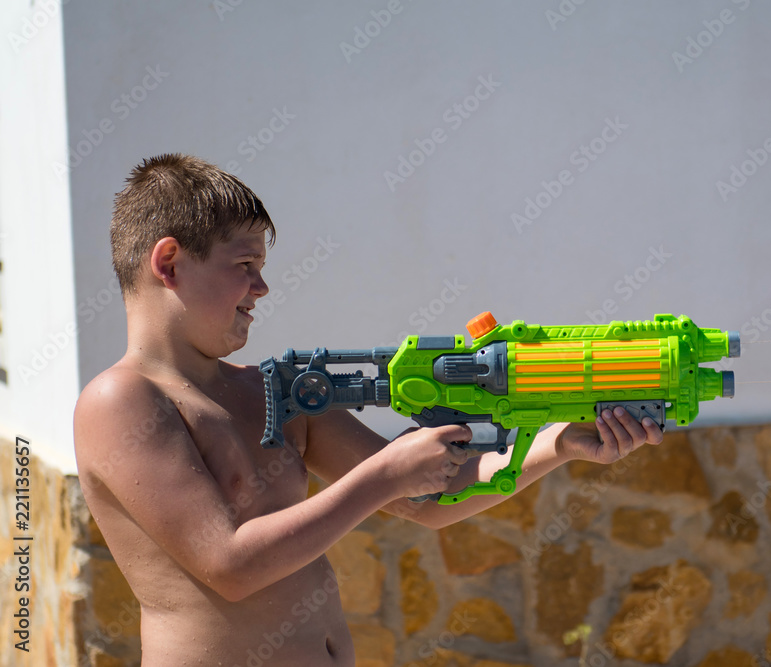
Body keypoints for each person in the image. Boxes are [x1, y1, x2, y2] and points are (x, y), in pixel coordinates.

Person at [73, 153, 664, 666]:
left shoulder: (273, 391)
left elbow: (428, 497)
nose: (262, 288)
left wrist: (559, 440)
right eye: (244, 266)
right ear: (169, 262)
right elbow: (229, 565)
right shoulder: (120, 402)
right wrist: (386, 475)